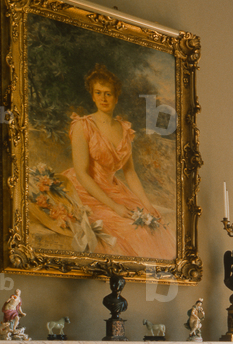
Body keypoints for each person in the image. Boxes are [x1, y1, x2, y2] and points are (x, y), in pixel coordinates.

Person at [61, 64, 174, 258]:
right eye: (98, 93)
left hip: (114, 189)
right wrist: (114, 206)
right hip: (86, 190)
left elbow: (130, 173)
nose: (103, 99)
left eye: (108, 93)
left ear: (116, 96)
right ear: (92, 95)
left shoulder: (124, 129)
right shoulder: (83, 126)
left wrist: (148, 205)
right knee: (131, 230)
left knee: (150, 224)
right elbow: (81, 173)